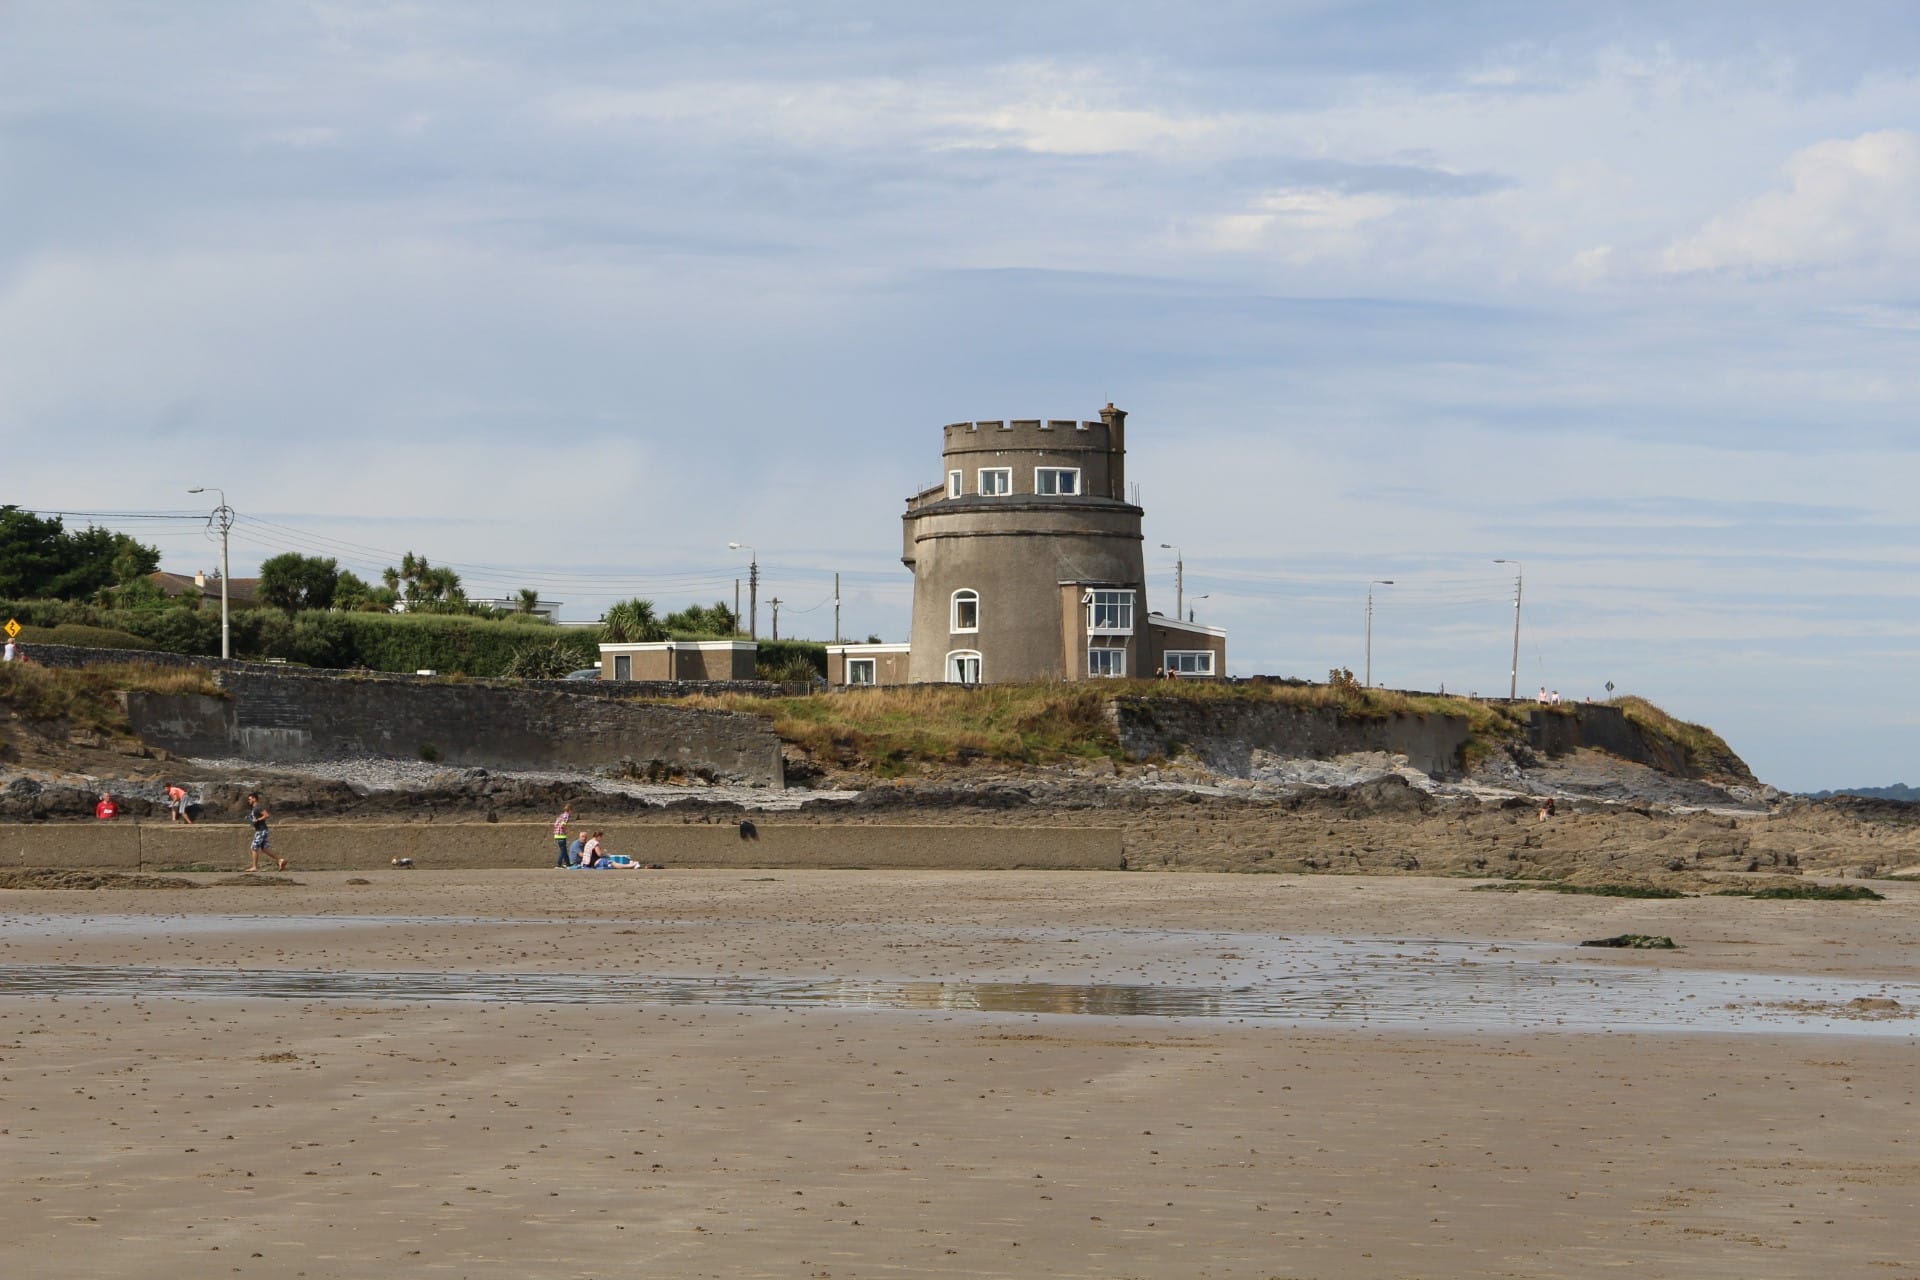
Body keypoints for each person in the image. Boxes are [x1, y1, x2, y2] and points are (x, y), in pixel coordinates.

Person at [245, 793, 286, 873]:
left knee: (254, 848)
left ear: (254, 799)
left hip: (261, 830)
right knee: (264, 848)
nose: (248, 801)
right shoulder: (254, 809)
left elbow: (266, 815)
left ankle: (254, 867)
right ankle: (280, 860)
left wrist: (258, 820)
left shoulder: (258, 807)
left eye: (249, 799)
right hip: (262, 830)